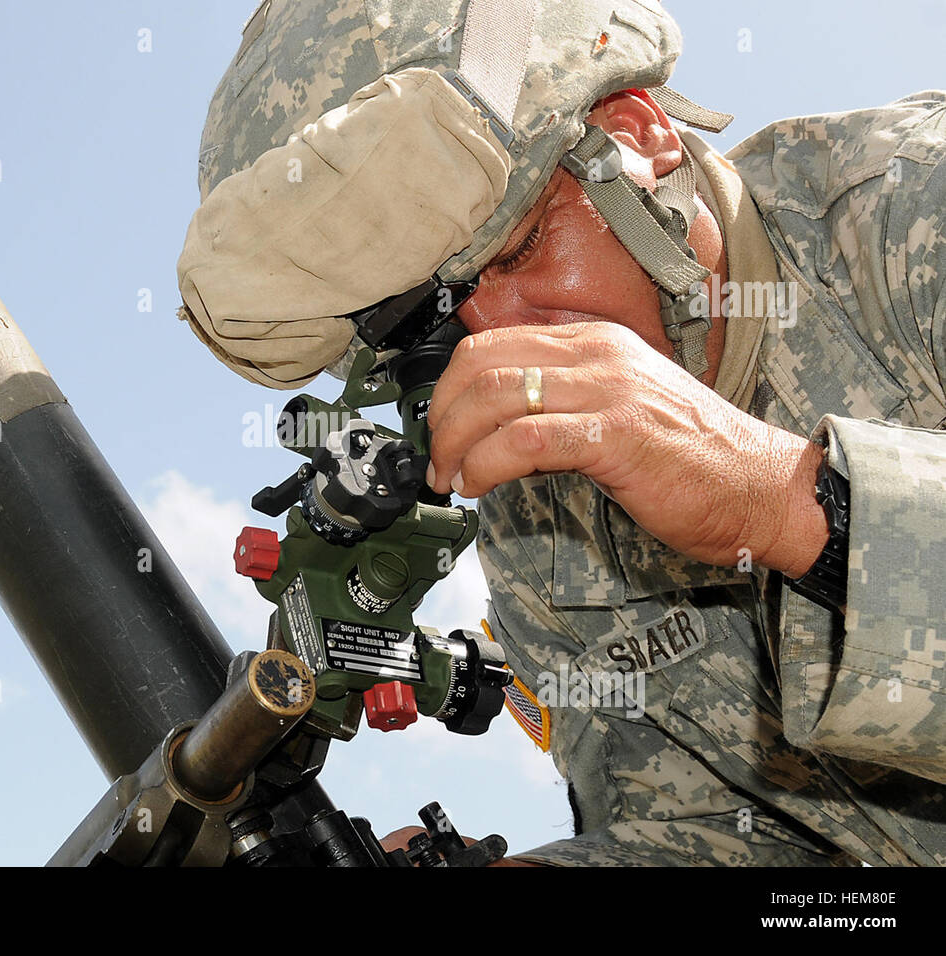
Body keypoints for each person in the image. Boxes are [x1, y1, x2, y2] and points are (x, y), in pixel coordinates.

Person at [176, 0, 946, 865]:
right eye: (430, 327)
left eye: (518, 250)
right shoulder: (538, 534)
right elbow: (753, 856)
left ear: (638, 131)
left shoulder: (909, 214)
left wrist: (783, 502)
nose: (499, 337)